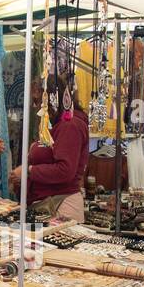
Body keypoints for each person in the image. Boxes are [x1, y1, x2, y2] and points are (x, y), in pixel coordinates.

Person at [10, 74, 89, 222]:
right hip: (50, 204)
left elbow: (65, 170)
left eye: (36, 100)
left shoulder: (69, 125)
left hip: (60, 206)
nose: (35, 106)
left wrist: (29, 171)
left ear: (49, 98)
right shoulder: (56, 125)